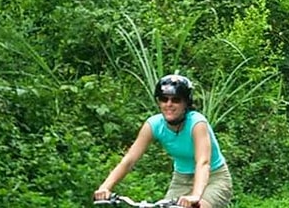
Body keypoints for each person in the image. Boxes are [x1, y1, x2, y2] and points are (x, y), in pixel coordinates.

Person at [95, 74, 233, 208]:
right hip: (181, 179)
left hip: (213, 178)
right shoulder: (154, 125)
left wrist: (196, 196)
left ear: (186, 103)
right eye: (163, 99)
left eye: (176, 100)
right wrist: (105, 188)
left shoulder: (197, 124)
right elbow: (129, 159)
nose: (169, 104)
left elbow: (203, 162)